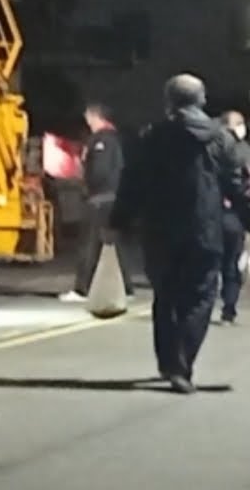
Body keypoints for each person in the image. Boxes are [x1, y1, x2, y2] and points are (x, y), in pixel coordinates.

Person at [107, 74, 250, 394]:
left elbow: (133, 183)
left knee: (166, 296)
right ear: (202, 100)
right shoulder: (220, 139)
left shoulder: (152, 136)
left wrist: (118, 221)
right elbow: (237, 185)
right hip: (205, 229)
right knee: (200, 296)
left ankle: (169, 360)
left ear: (169, 102)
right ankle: (182, 362)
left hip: (160, 230)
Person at [60, 102, 133, 303]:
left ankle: (82, 289)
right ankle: (126, 287)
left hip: (99, 199)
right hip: (113, 198)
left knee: (88, 244)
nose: (87, 122)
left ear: (96, 117)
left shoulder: (101, 140)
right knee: (113, 244)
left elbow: (100, 171)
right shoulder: (117, 139)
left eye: (89, 118)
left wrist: (85, 181)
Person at [215, 110, 250, 324]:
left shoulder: (209, 148)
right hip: (233, 214)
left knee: (210, 264)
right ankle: (229, 308)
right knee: (231, 263)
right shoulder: (244, 151)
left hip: (210, 214)